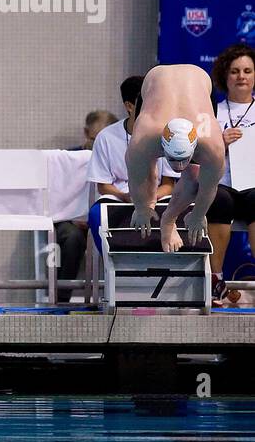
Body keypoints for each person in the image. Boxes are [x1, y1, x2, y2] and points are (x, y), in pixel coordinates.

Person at [125, 64, 225, 255]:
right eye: (172, 159)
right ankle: (153, 205)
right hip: (155, 80)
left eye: (184, 159)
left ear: (195, 145)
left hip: (199, 80)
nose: (178, 167)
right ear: (162, 145)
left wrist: (198, 215)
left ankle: (168, 220)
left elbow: (208, 187)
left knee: (195, 175)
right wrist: (142, 208)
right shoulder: (144, 138)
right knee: (145, 167)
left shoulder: (212, 144)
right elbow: (136, 178)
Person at [86, 76, 178, 255]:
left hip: (157, 197)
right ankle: (113, 266)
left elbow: (168, 185)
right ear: (129, 106)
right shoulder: (106, 137)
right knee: (96, 215)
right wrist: (126, 196)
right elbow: (104, 186)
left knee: (179, 211)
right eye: (145, 101)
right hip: (120, 197)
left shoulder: (168, 134)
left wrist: (150, 198)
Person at [51, 108, 120, 301]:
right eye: (95, 138)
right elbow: (58, 194)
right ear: (85, 133)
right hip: (69, 220)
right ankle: (62, 299)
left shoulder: (116, 158)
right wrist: (74, 217)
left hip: (101, 217)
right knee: (73, 238)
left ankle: (118, 294)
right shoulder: (66, 158)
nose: (98, 144)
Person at [208, 43, 255, 298]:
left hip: (252, 184)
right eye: (235, 71)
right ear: (225, 76)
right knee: (218, 198)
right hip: (222, 182)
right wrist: (220, 142)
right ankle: (216, 278)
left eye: (247, 71)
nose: (241, 76)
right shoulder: (212, 111)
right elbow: (196, 153)